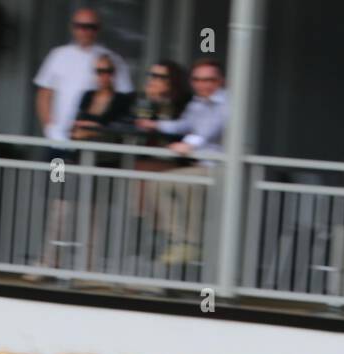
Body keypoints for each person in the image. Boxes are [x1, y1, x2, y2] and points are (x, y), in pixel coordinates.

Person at [135, 58, 228, 265]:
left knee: (177, 185)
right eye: (197, 80)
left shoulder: (227, 102)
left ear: (221, 81)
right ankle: (179, 241)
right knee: (162, 185)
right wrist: (155, 125)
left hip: (220, 169)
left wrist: (188, 145)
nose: (203, 85)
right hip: (201, 166)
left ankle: (189, 243)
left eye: (209, 80)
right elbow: (183, 124)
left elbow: (211, 129)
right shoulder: (198, 103)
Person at [33, 7, 131, 146]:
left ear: (98, 29)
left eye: (91, 27)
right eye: (80, 26)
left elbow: (123, 100)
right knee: (56, 162)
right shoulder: (58, 55)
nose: (85, 31)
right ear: (72, 28)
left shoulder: (112, 60)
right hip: (58, 138)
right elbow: (44, 95)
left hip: (96, 141)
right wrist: (50, 129)